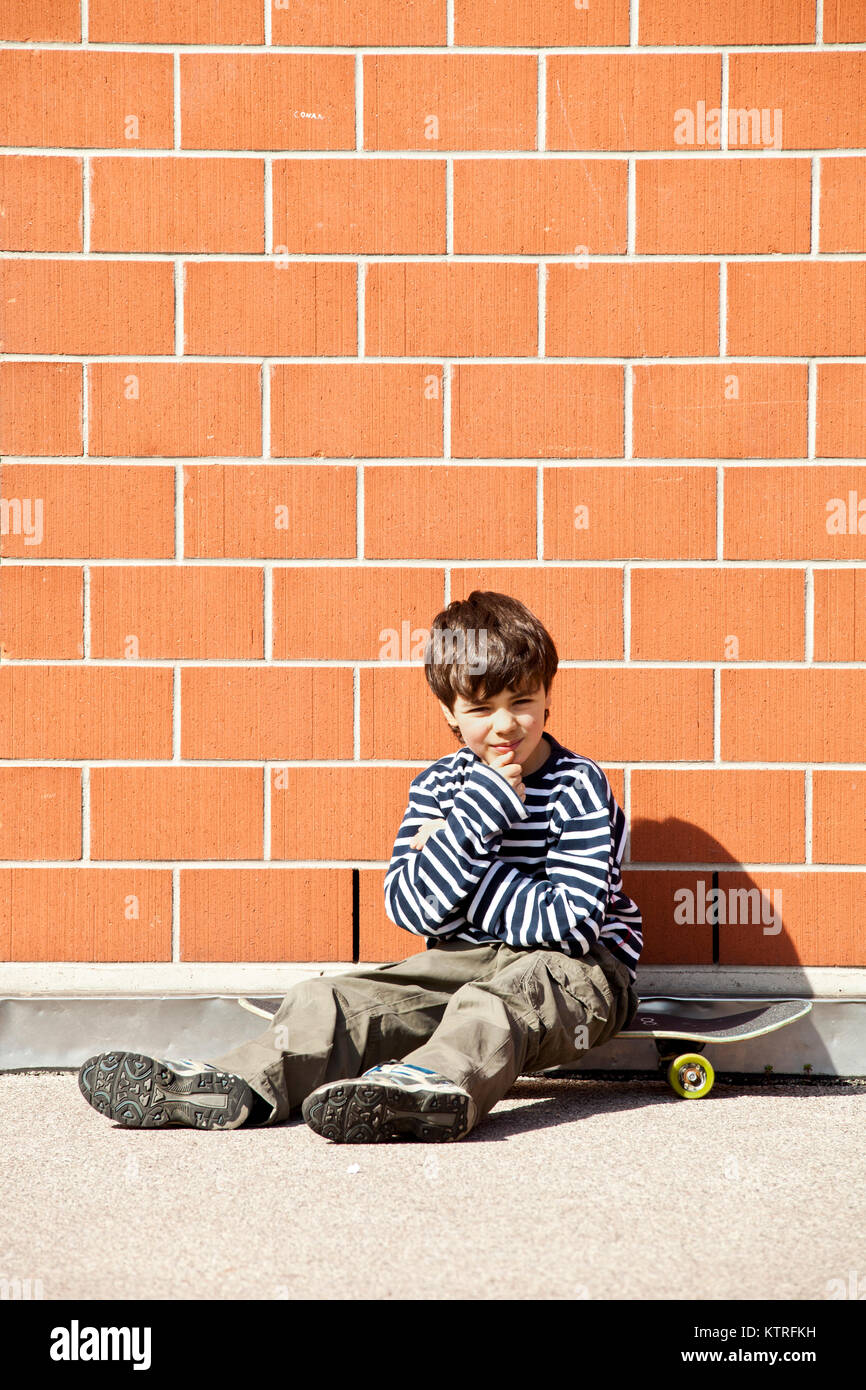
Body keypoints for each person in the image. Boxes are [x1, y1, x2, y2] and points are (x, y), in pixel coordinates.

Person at [78, 591, 643, 1142]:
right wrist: (475, 819)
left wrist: (459, 867)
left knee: (496, 1002)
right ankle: (235, 1087)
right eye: (480, 709)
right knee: (326, 999)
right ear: (449, 711)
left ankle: (430, 1092)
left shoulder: (578, 784)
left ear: (548, 696)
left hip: (577, 975)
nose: (505, 726)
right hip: (458, 962)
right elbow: (410, 905)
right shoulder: (440, 787)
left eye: (522, 702)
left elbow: (569, 925)